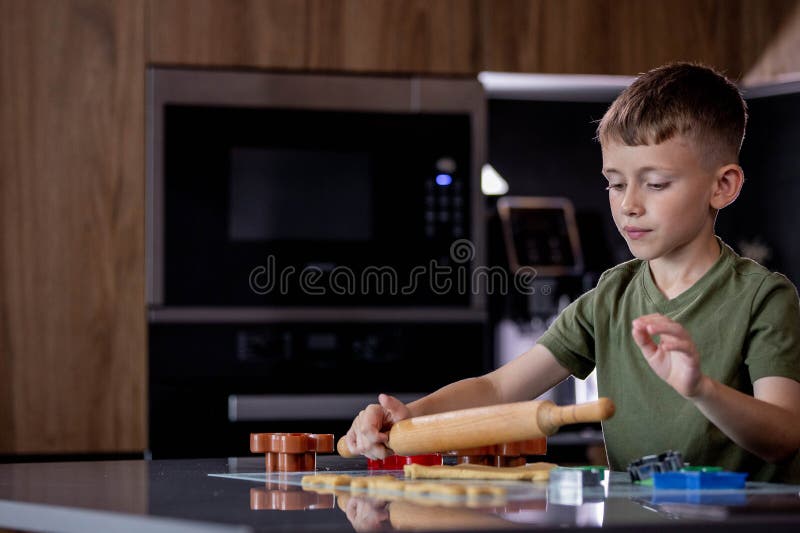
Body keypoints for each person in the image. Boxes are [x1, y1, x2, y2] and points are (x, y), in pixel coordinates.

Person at [344, 62, 800, 482]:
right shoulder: (611, 297)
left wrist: (700, 389)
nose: (629, 204)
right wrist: (407, 416)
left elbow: (783, 437)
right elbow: (500, 387)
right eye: (616, 183)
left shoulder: (763, 297)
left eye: (656, 183)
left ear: (723, 186)